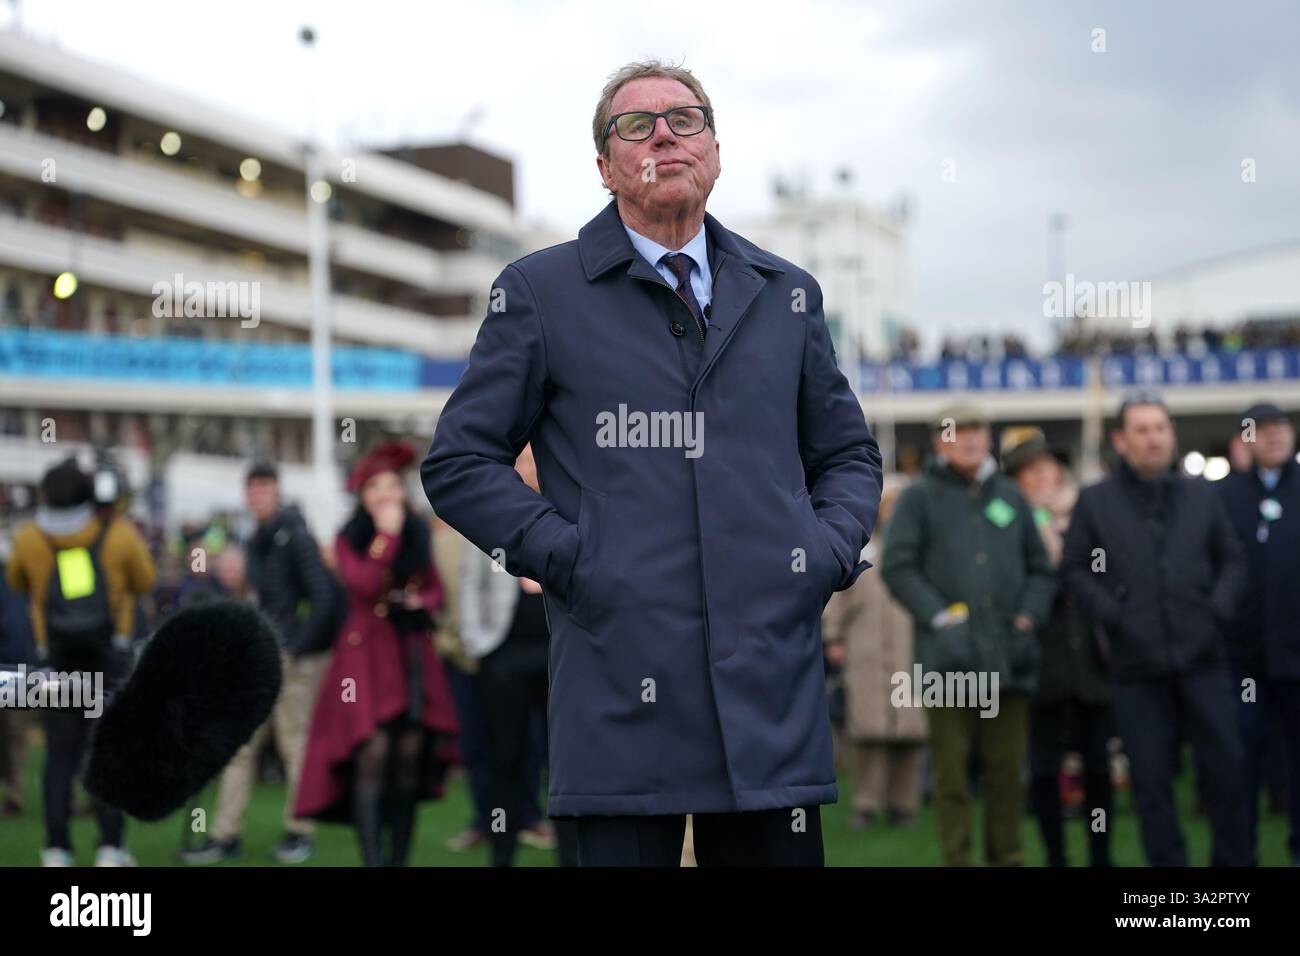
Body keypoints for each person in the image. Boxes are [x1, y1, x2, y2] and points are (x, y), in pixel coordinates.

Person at [422, 59, 882, 866]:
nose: (665, 134)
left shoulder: (789, 295)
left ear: (715, 148)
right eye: (636, 125)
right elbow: (460, 460)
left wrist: (826, 553)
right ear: (605, 167)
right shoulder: (539, 292)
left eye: (686, 118)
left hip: (769, 692)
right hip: (616, 692)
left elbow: (846, 453)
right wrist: (573, 558)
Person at [1062, 392, 1250, 866]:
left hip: (1204, 662)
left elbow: (1232, 561)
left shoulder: (1202, 496)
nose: (1154, 438)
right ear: (1121, 441)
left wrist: (1215, 612)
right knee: (1150, 784)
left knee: (1228, 771)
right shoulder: (1096, 502)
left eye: (1161, 428)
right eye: (1142, 430)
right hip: (1136, 669)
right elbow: (1077, 571)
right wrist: (1116, 617)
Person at [883, 405, 1055, 866]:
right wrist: (939, 616)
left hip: (1010, 658)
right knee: (952, 777)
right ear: (940, 442)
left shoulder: (1011, 497)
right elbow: (897, 566)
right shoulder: (918, 498)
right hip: (948, 660)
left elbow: (1041, 568)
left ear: (990, 438)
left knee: (1006, 775)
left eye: (978, 430)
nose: (969, 439)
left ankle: (1007, 857)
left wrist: (1027, 618)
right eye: (957, 433)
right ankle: (957, 860)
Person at [294, 441, 459, 866]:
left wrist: (423, 602)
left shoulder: (419, 532)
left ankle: (398, 859)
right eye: (376, 487)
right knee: (372, 753)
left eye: (393, 485)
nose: (387, 495)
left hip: (412, 656)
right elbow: (363, 585)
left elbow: (435, 587)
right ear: (364, 497)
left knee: (408, 759)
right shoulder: (350, 538)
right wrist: (386, 536)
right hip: (365, 658)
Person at [181, 461, 337, 865]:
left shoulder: (294, 535)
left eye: (264, 488)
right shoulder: (257, 537)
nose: (257, 497)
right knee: (242, 746)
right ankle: (224, 835)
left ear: (276, 491)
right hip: (263, 653)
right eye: (252, 490)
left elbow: (323, 597)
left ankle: (299, 831)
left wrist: (297, 647)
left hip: (291, 656)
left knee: (293, 744)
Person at [5, 458, 156, 866]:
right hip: (109, 657)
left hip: (53, 658)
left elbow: (17, 581)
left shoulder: (30, 538)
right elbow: (145, 581)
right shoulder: (118, 534)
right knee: (106, 752)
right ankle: (110, 846)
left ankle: (57, 848)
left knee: (59, 755)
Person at [1002, 426, 1113, 866]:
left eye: (1044, 466)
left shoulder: (1090, 514)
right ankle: (1056, 857)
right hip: (1040, 660)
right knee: (1045, 768)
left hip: (1092, 656)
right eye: (1029, 470)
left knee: (1099, 768)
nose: (1040, 476)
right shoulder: (1010, 521)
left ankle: (1100, 855)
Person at [462, 445, 577, 866]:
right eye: (523, 454)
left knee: (564, 767)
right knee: (505, 760)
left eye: (535, 453)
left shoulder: (568, 507)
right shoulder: (496, 512)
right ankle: (502, 852)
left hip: (558, 656)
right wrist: (479, 644)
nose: (529, 462)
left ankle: (570, 858)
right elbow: (470, 582)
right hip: (503, 658)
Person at [1216, 401, 1300, 865]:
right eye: (1261, 430)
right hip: (1241, 660)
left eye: (1281, 427)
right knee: (1240, 759)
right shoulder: (1223, 496)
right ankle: (1237, 856)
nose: (1273, 436)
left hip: (1296, 654)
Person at [822, 478, 927, 831]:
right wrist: (833, 636)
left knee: (910, 735)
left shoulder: (923, 552)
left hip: (911, 650)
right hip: (865, 650)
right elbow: (838, 596)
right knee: (867, 734)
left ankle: (904, 806)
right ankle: (866, 805)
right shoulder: (860, 551)